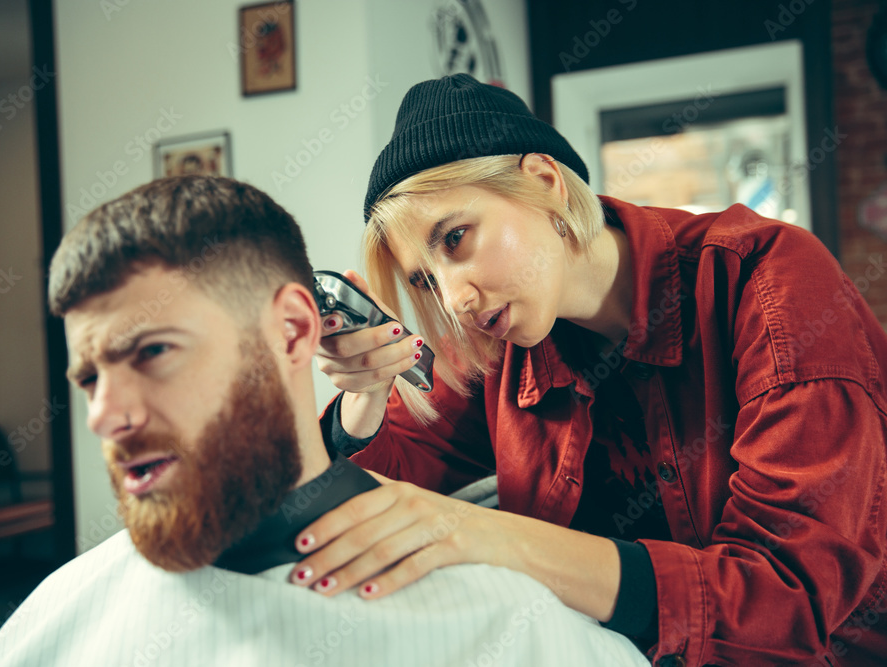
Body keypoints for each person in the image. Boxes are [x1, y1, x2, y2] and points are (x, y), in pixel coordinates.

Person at [298, 74, 887, 666]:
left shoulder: (770, 285)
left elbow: (786, 602)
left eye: (456, 238)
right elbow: (375, 489)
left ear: (546, 184)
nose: (453, 301)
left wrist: (482, 534)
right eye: (425, 280)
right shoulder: (500, 340)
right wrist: (362, 402)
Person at [0, 175, 649, 666]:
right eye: (89, 378)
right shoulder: (64, 610)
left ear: (295, 330)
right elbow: (388, 450)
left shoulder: (513, 629)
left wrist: (476, 530)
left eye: (153, 352)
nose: (103, 417)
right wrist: (361, 411)